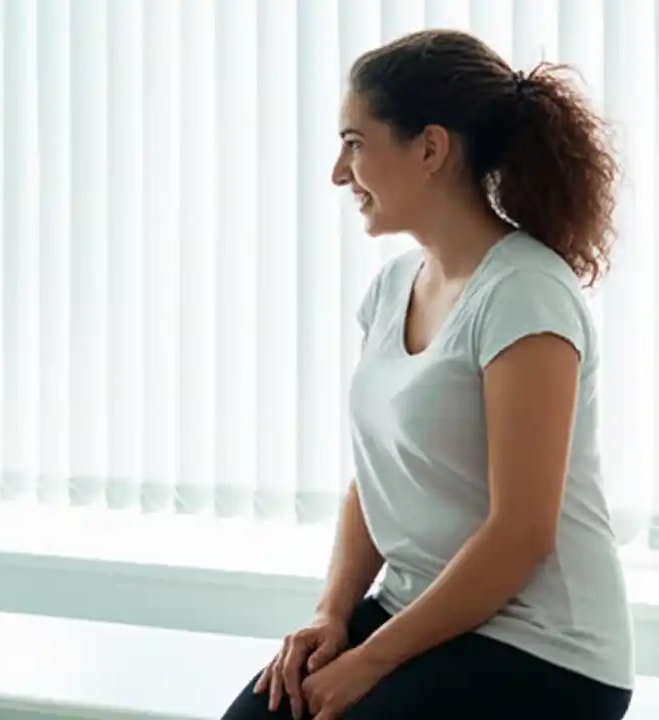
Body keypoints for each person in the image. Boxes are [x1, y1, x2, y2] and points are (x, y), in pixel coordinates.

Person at [224, 29, 632, 720]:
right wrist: (333, 615)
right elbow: (378, 477)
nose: (337, 171)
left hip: (543, 649)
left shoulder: (526, 294)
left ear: (431, 148)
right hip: (416, 614)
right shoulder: (392, 290)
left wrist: (368, 662)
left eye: (355, 143)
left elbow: (521, 534)